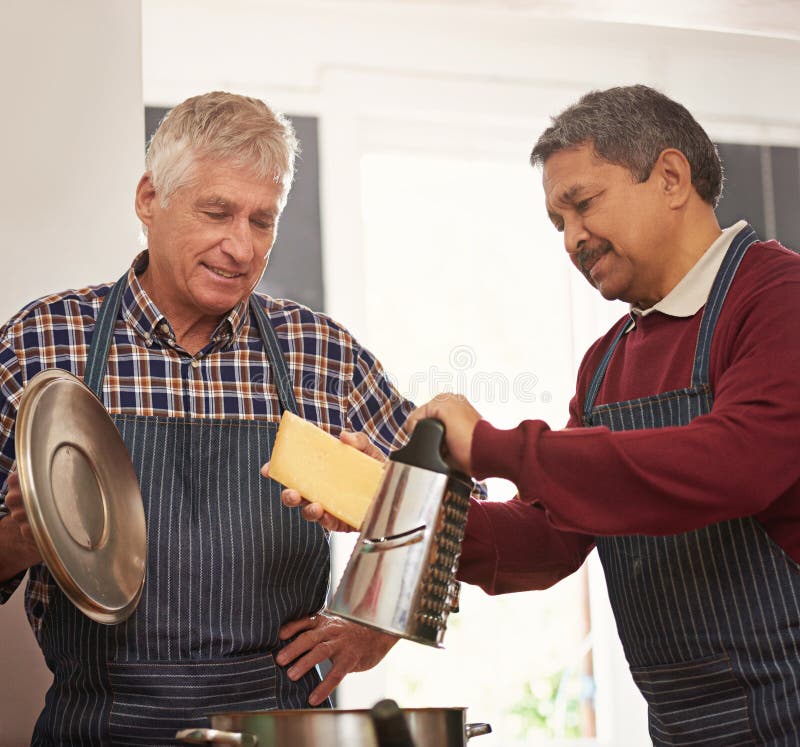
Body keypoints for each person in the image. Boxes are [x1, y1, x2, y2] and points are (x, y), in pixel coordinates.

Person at [288, 85, 800, 745]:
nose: (572, 240)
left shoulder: (776, 298)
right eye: (559, 223)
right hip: (684, 726)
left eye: (582, 205)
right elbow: (547, 543)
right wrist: (395, 507)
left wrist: (497, 446)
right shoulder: (606, 363)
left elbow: (735, 464)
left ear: (671, 177)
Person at [0, 91, 411, 745]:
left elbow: (449, 509)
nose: (241, 247)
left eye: (262, 220)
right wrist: (27, 539)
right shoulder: (44, 343)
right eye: (217, 212)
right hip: (100, 726)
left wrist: (379, 618)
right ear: (148, 199)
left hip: (281, 727)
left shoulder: (320, 354)